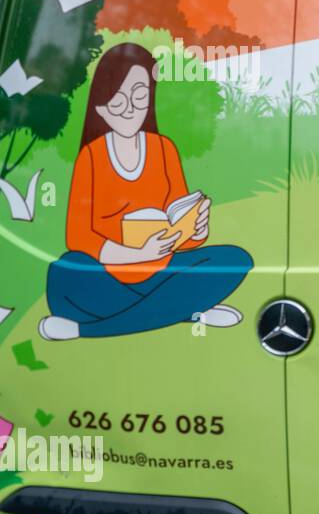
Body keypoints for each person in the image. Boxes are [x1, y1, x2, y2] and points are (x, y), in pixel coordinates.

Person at [38, 43, 253, 341]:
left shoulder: (163, 149)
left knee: (235, 260)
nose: (130, 109)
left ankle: (86, 329)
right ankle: (184, 308)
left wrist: (196, 228)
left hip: (161, 272)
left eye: (139, 97)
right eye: (118, 100)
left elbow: (180, 230)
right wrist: (136, 254)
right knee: (65, 273)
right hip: (108, 276)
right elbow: (78, 237)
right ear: (101, 104)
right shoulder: (92, 156)